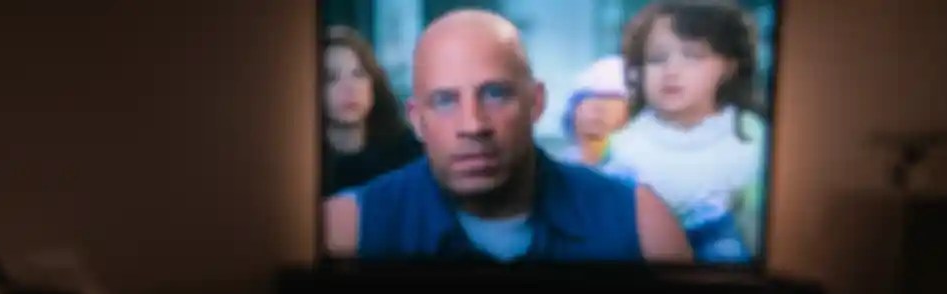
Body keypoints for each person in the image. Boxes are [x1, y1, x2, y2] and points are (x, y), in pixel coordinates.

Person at [322, 10, 690, 263]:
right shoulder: (347, 228)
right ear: (418, 120)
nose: (473, 124)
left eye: (495, 93)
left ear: (537, 103)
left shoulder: (642, 223)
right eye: (446, 100)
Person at [605, 0, 768, 262]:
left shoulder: (753, 138)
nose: (672, 71)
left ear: (728, 66)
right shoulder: (623, 146)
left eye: (692, 55)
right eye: (657, 59)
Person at [321, 26, 423, 197]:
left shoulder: (410, 157)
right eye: (331, 78)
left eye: (358, 74)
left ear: (373, 83)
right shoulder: (298, 168)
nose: (349, 88)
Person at [557, 55, 631, 169]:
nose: (596, 107)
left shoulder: (632, 165)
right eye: (587, 99)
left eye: (609, 99)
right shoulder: (564, 163)